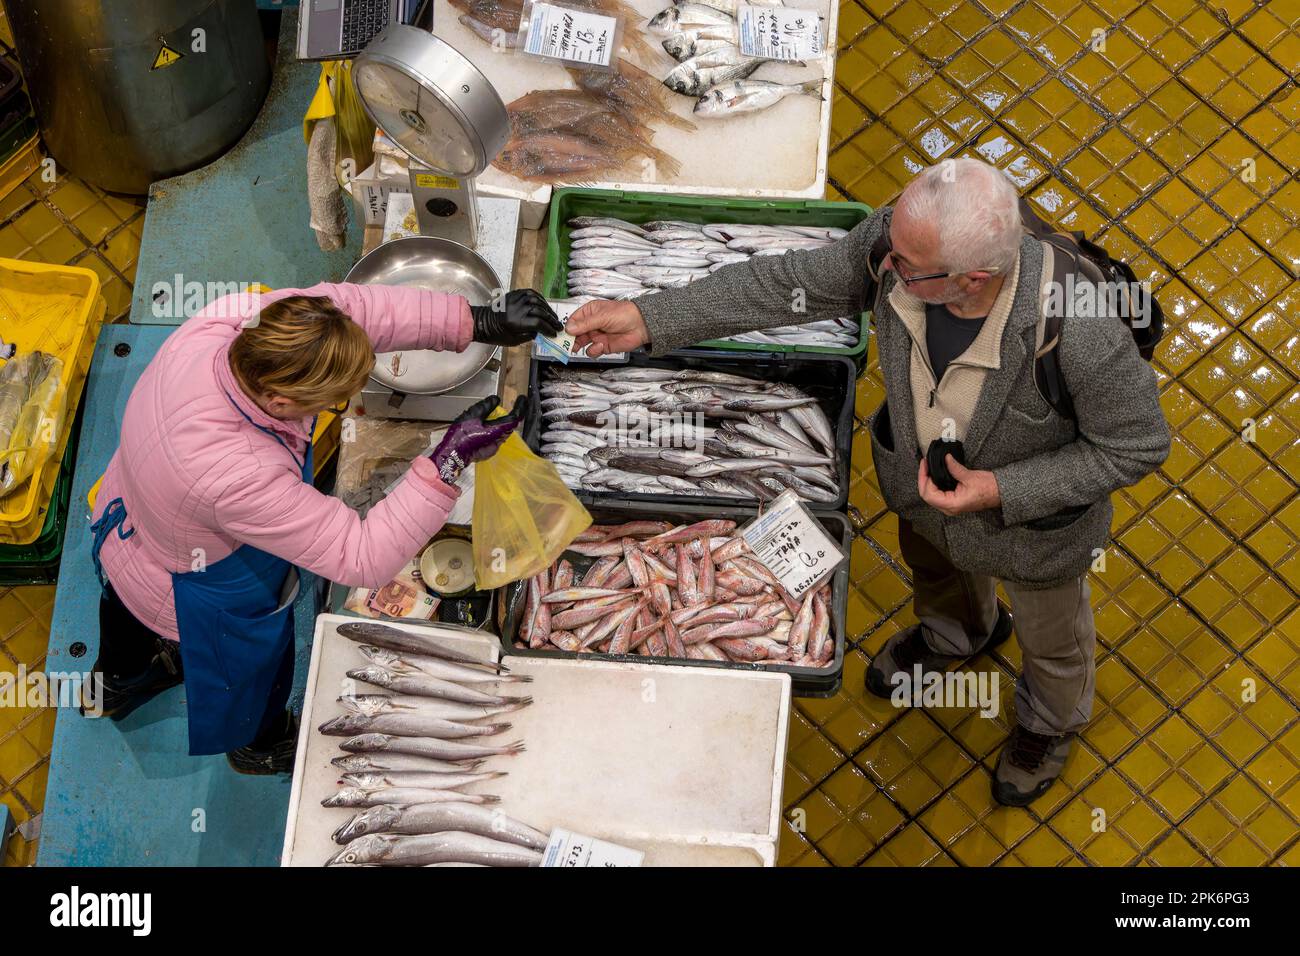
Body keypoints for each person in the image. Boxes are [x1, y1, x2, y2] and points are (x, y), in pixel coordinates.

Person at [568, 158, 1170, 806]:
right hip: (921, 491)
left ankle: (1049, 724)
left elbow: (1136, 445)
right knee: (936, 573)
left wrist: (997, 490)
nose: (884, 266)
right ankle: (959, 635)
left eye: (905, 266)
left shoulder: (1077, 327)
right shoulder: (897, 243)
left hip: (1034, 535)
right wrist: (652, 317)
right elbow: (788, 284)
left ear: (973, 279)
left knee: (1054, 640)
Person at [84, 282, 560, 774]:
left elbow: (348, 309)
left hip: (128, 518)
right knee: (249, 671)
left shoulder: (234, 324)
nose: (337, 404)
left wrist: (474, 322)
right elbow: (363, 556)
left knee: (124, 614)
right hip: (194, 586)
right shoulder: (236, 472)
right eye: (330, 401)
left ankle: (114, 684)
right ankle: (258, 746)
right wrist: (450, 458)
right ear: (278, 400)